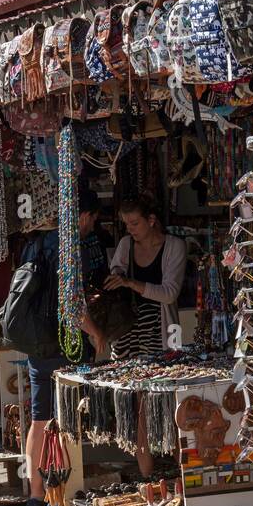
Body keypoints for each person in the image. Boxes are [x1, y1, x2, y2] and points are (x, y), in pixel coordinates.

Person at [22, 178, 110, 506]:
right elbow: (71, 305)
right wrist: (96, 333)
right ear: (84, 215)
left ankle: (35, 496)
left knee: (39, 420)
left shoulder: (36, 243)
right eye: (92, 219)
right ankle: (63, 498)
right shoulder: (70, 247)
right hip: (63, 342)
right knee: (67, 419)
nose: (92, 226)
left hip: (35, 343)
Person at [104, 195, 187, 476]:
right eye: (126, 223)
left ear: (151, 220)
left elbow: (169, 293)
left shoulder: (174, 246)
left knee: (169, 397)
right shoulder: (126, 245)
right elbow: (114, 276)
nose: (130, 229)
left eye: (135, 223)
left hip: (161, 329)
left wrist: (130, 282)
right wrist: (116, 278)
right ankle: (147, 476)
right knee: (137, 403)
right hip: (129, 330)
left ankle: (180, 470)